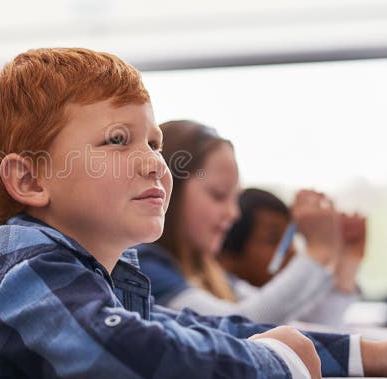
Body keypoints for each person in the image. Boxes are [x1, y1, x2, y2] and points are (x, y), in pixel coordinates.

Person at [0, 47, 387, 379]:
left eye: (153, 141)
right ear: (31, 181)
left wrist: (370, 354)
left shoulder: (104, 274)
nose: (155, 160)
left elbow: (207, 328)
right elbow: (137, 356)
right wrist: (279, 365)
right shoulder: (28, 269)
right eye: (118, 140)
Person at [136, 121, 362, 325]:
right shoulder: (143, 267)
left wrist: (347, 261)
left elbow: (298, 322)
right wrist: (317, 251)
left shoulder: (208, 271)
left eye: (235, 198)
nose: (234, 213)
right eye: (219, 194)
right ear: (167, 189)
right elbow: (244, 323)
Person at [219, 187, 364, 323]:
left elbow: (312, 323)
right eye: (273, 240)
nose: (292, 251)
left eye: (290, 240)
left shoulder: (242, 292)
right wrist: (318, 250)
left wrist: (349, 260)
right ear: (227, 255)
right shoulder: (216, 292)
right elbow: (247, 321)